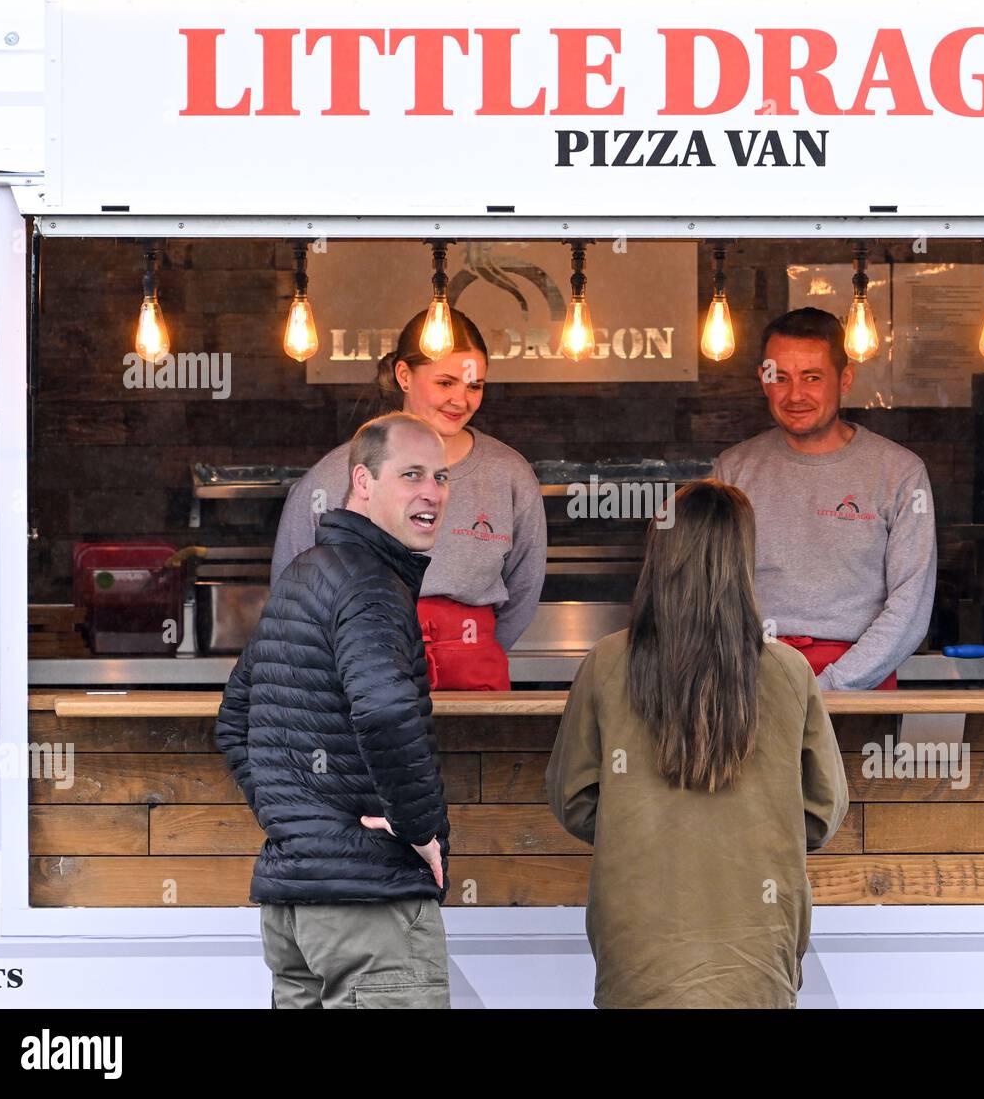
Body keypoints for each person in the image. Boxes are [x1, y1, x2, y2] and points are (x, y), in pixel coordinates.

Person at [546, 480, 848, 1009]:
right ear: (743, 558)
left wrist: (637, 828)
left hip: (639, 954)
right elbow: (821, 812)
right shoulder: (788, 671)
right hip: (756, 952)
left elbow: (573, 799)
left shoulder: (607, 662)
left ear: (660, 553)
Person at [216, 412, 452, 1009]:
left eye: (442, 476)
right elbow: (385, 710)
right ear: (363, 483)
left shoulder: (305, 574)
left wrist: (296, 818)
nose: (432, 492)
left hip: (295, 911)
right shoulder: (371, 584)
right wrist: (418, 828)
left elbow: (233, 720)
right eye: (412, 475)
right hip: (367, 911)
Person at [272, 307, 547, 690]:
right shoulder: (335, 475)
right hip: (357, 683)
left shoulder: (508, 474)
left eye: (474, 386)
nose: (460, 400)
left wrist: (464, 649)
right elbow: (291, 590)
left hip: (473, 682)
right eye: (446, 382)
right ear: (404, 375)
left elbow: (524, 590)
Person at [712, 307, 937, 690]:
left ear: (845, 379)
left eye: (812, 377)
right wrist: (745, 681)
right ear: (763, 380)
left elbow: (910, 606)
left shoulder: (900, 473)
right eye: (779, 378)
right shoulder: (732, 472)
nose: (795, 394)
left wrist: (833, 686)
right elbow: (708, 592)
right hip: (750, 684)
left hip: (860, 685)